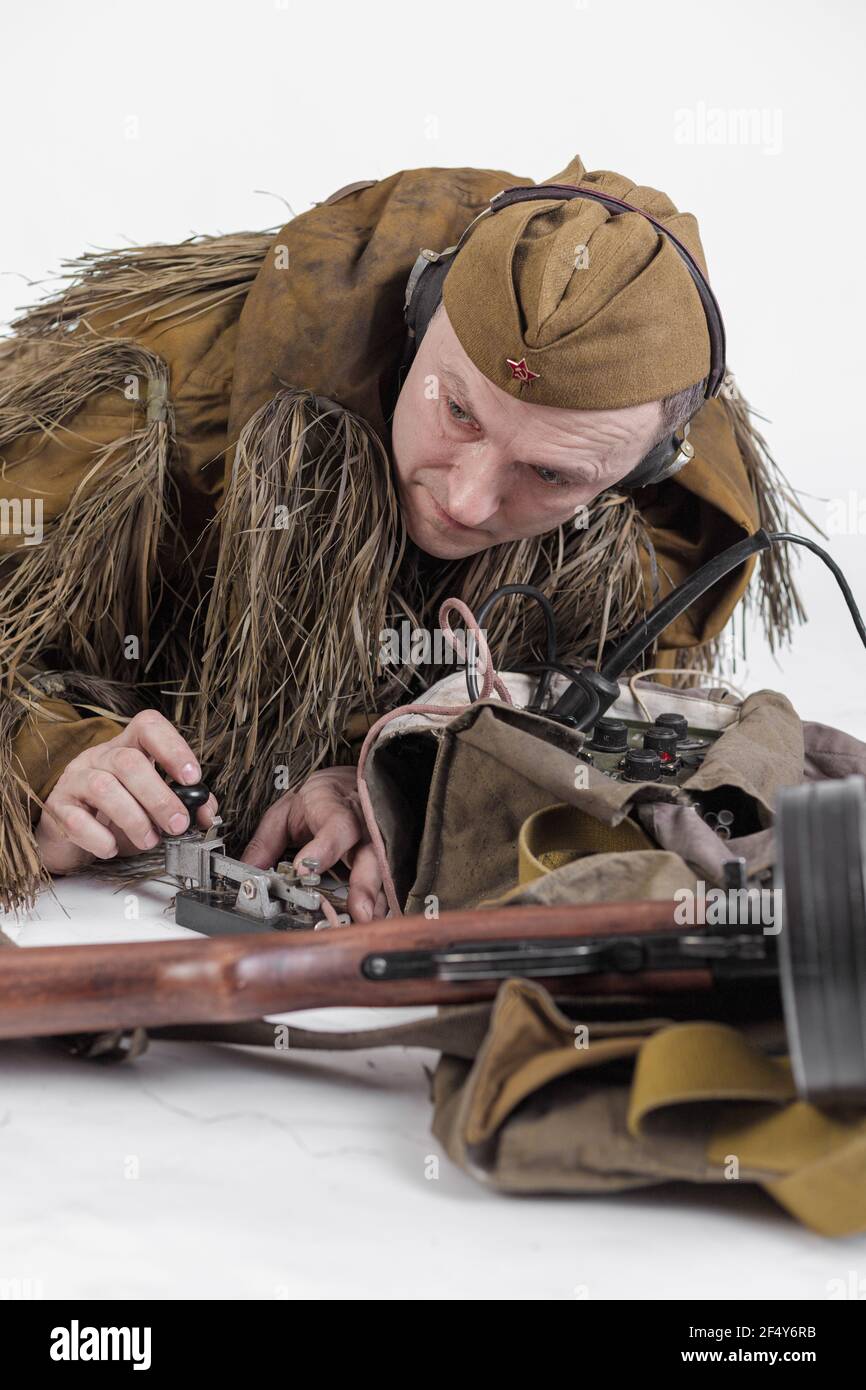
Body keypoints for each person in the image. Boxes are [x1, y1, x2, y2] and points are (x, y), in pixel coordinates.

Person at [0, 155, 798, 919]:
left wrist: (387, 784)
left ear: (647, 467)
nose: (468, 497)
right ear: (421, 317)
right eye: (456, 411)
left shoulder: (671, 537)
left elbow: (590, 738)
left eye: (551, 475)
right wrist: (51, 761)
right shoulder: (143, 399)